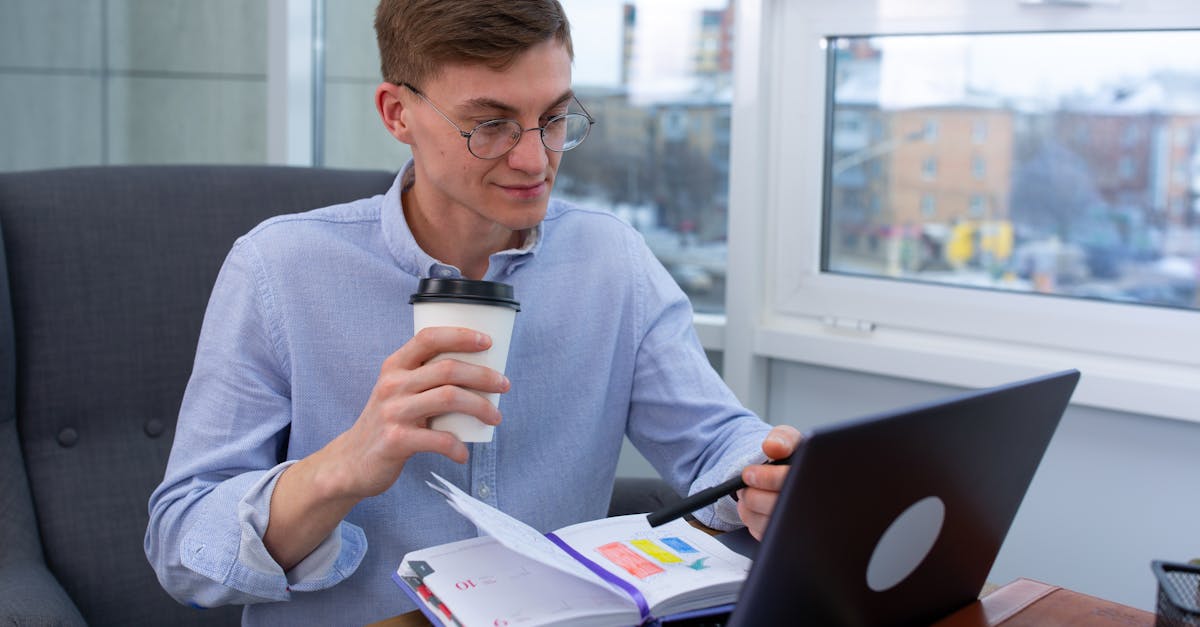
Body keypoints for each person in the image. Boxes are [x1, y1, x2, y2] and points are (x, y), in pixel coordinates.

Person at [144, 1, 800, 624]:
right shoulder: (277, 269)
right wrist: (340, 468)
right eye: (490, 124)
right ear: (397, 113)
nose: (533, 157)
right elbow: (181, 551)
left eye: (554, 116)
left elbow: (718, 440)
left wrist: (766, 475)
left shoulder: (611, 261)